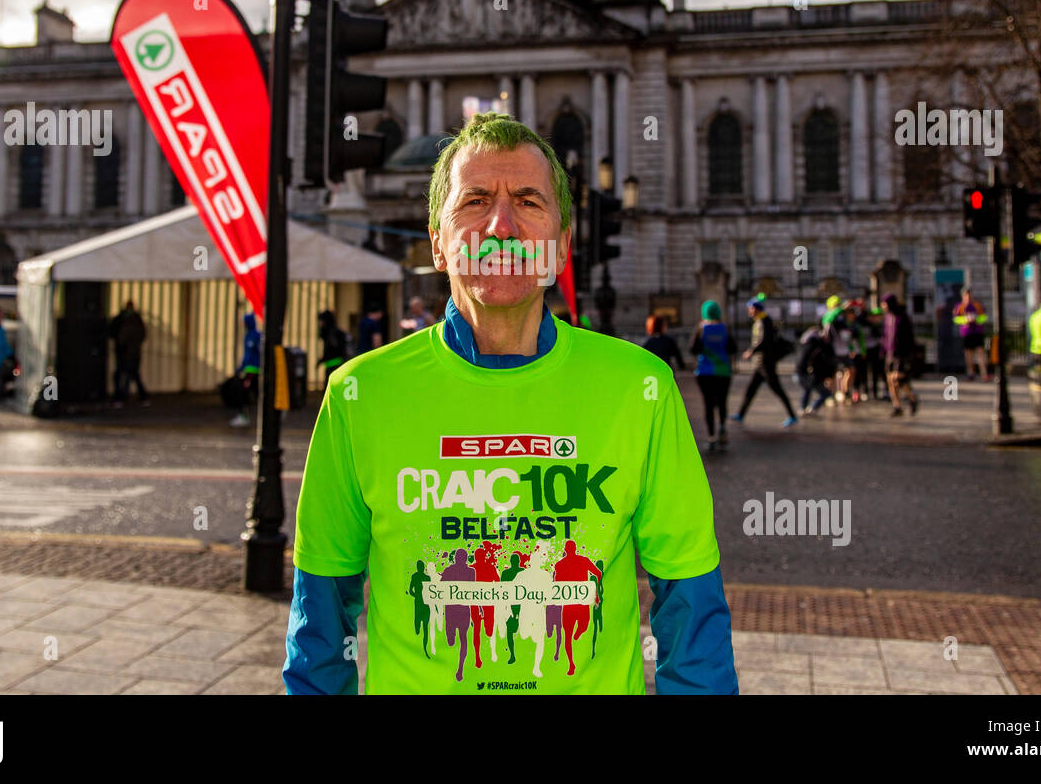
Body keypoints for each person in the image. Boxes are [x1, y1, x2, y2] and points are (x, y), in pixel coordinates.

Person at [283, 111, 737, 695]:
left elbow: (691, 607)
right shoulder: (357, 393)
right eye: (474, 202)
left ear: (562, 245)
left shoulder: (641, 388)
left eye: (528, 201)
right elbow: (320, 620)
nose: (502, 225)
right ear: (438, 244)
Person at [731, 297, 798, 428]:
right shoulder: (759, 321)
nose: (749, 311)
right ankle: (740, 414)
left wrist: (751, 351)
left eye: (750, 308)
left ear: (755, 308)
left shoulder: (765, 321)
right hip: (760, 364)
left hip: (766, 363)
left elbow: (765, 341)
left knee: (777, 389)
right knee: (751, 389)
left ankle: (793, 416)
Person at [689, 301, 734, 450]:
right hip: (723, 371)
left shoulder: (701, 330)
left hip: (705, 372)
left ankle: (711, 436)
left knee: (708, 404)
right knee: (722, 401)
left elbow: (693, 349)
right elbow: (732, 348)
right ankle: (722, 426)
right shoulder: (725, 329)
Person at [882, 294, 919, 417]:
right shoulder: (888, 317)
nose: (883, 306)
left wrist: (910, 354)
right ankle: (897, 406)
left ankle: (912, 397)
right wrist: (883, 350)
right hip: (890, 353)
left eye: (884, 303)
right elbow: (886, 335)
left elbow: (910, 337)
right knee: (890, 381)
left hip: (901, 354)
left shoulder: (902, 317)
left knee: (898, 378)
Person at [108, 300, 149, 406]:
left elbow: (112, 333)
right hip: (129, 352)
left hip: (127, 352)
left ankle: (121, 397)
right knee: (129, 374)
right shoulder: (132, 319)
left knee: (127, 374)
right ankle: (128, 397)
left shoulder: (126, 319)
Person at [229, 312, 262, 427]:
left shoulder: (256, 336)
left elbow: (258, 354)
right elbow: (247, 356)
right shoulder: (248, 336)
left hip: (254, 372)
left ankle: (245, 416)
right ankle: (244, 416)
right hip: (249, 371)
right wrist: (241, 367)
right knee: (247, 394)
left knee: (248, 394)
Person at [795, 326, 835, 416]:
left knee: (807, 389)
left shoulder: (804, 343)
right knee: (825, 393)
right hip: (813, 373)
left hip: (803, 371)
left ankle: (803, 408)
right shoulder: (817, 346)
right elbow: (822, 361)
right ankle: (812, 407)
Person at [953, 287, 990, 381]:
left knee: (980, 352)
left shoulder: (977, 305)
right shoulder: (960, 306)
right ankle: (971, 373)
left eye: (969, 295)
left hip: (977, 332)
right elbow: (956, 319)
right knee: (968, 354)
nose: (968, 297)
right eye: (966, 295)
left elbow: (984, 317)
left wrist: (976, 319)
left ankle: (984, 373)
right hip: (967, 333)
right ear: (963, 296)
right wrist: (965, 320)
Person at [316, 310, 349, 378]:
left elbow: (331, 350)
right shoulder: (336, 332)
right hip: (335, 364)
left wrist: (322, 360)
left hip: (334, 366)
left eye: (322, 321)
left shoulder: (331, 334)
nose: (321, 324)